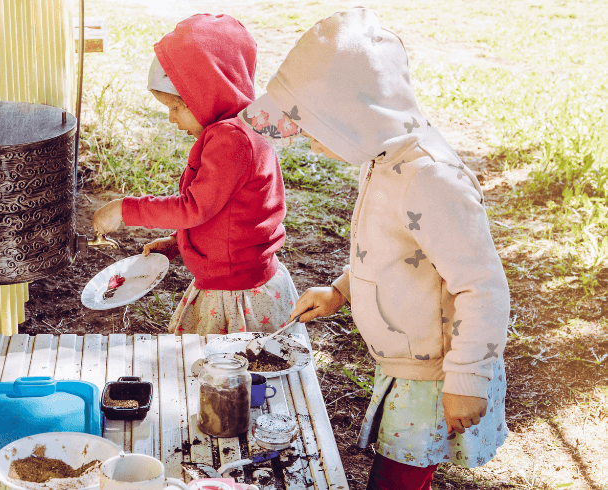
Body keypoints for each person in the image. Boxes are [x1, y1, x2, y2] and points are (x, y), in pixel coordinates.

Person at [236, 8, 510, 490]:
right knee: (397, 469)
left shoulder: (434, 181)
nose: (306, 140)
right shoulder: (383, 157)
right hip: (409, 363)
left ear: (355, 116)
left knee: (398, 479)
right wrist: (341, 290)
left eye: (314, 127)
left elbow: (482, 285)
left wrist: (466, 379)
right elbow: (391, 253)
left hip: (436, 372)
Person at [92, 13, 299, 336]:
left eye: (176, 108)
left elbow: (194, 207)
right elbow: (229, 212)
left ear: (207, 94)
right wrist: (179, 242)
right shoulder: (242, 126)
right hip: (235, 275)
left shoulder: (231, 140)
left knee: (224, 372)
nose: (172, 120)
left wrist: (125, 208)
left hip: (235, 292)